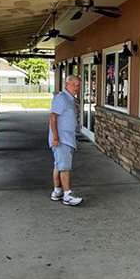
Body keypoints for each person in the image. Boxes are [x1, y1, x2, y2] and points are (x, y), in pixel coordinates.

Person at [48, 75, 83, 206]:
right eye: (73, 85)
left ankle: (57, 191)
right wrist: (55, 137)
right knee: (65, 167)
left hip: (67, 138)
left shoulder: (69, 99)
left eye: (78, 85)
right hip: (62, 139)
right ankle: (67, 195)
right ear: (66, 85)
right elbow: (52, 117)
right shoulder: (61, 98)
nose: (76, 88)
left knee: (59, 165)